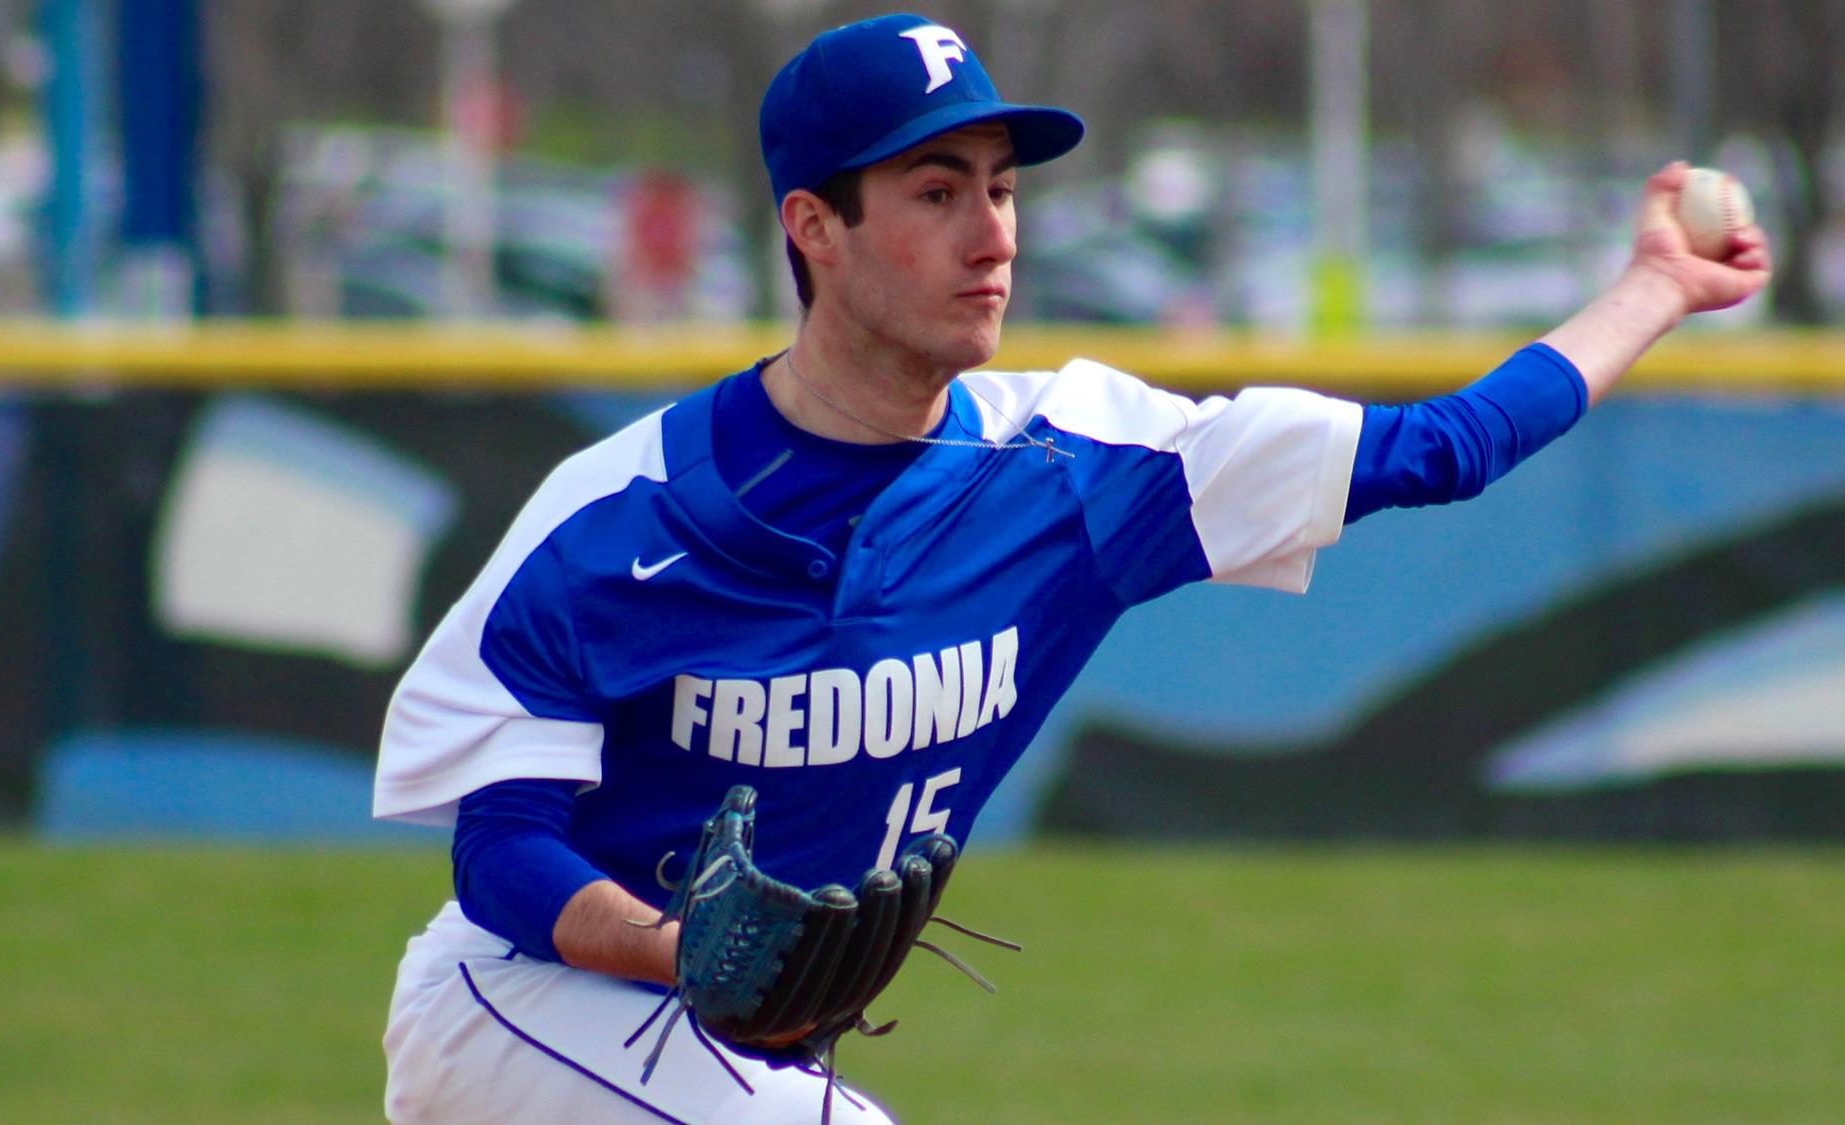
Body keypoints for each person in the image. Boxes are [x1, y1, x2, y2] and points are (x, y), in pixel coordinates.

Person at [373, 12, 1771, 1124]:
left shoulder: (1084, 464)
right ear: (813, 227)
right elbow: (497, 848)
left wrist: (1656, 288)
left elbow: (1447, 444)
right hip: (522, 1007)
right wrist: (674, 947)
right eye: (935, 191)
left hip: (727, 1061)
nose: (993, 233)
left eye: (1001, 187)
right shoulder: (619, 514)